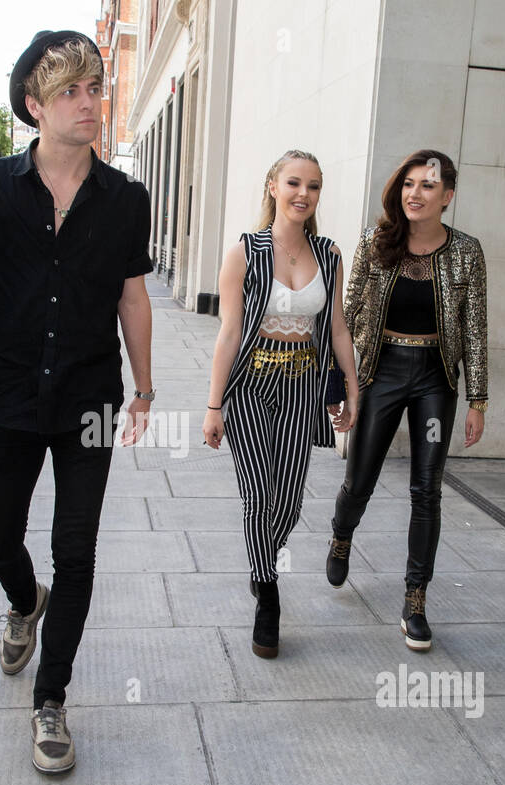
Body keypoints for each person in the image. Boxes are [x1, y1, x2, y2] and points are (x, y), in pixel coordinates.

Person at [0, 30, 153, 774]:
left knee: (79, 550)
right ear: (34, 106)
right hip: (6, 393)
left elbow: (133, 294)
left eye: (95, 88)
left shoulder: (126, 198)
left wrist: (146, 386)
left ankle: (51, 699)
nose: (90, 102)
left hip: (91, 396)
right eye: (71, 92)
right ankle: (22, 599)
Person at [325, 148, 488, 652]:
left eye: (428, 186)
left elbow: (475, 327)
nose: (415, 194)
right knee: (361, 478)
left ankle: (415, 599)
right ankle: (341, 533)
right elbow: (346, 318)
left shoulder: (467, 251)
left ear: (448, 196)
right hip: (383, 373)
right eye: (409, 184)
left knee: (427, 489)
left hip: (436, 380)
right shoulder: (376, 245)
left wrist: (478, 398)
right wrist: (341, 385)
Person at [203, 150, 358, 659]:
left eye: (313, 186)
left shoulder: (330, 255)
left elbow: (336, 327)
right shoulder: (246, 251)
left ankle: (260, 561)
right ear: (272, 186)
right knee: (258, 493)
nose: (303, 194)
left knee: (288, 501)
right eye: (293, 183)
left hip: (299, 387)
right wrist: (213, 405)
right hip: (248, 386)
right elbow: (228, 332)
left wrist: (351, 387)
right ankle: (267, 595)